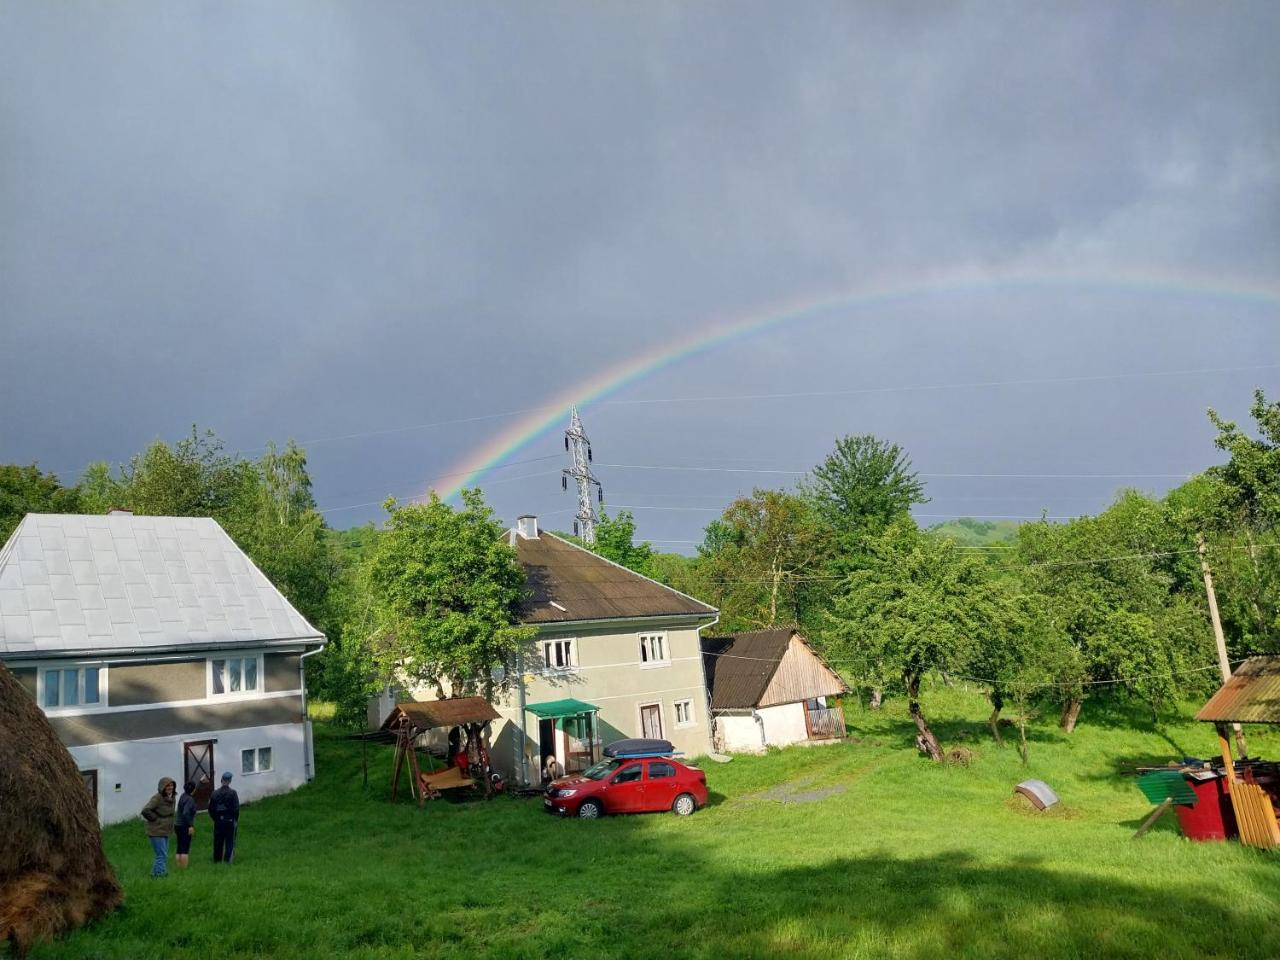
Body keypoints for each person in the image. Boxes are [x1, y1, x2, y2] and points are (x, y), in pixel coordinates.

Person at [139, 777, 176, 878]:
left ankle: (155, 874)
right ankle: (159, 875)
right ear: (162, 786)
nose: (170, 787)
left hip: (166, 830)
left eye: (171, 785)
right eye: (167, 785)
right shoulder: (157, 798)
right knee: (161, 855)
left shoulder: (172, 797)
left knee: (163, 854)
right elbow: (146, 810)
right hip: (156, 830)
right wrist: (155, 819)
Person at [208, 771, 240, 865]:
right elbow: (236, 809)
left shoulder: (214, 793)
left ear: (221, 780)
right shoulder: (233, 793)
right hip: (230, 820)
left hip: (218, 820)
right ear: (229, 781)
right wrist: (235, 819)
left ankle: (217, 860)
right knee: (230, 841)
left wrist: (215, 818)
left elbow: (210, 809)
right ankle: (227, 860)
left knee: (218, 840)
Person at [174, 780, 197, 869]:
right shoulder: (190, 799)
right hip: (184, 826)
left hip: (177, 825)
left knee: (179, 847)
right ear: (193, 790)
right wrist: (190, 825)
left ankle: (178, 866)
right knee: (185, 848)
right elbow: (186, 813)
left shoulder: (183, 796)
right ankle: (184, 868)